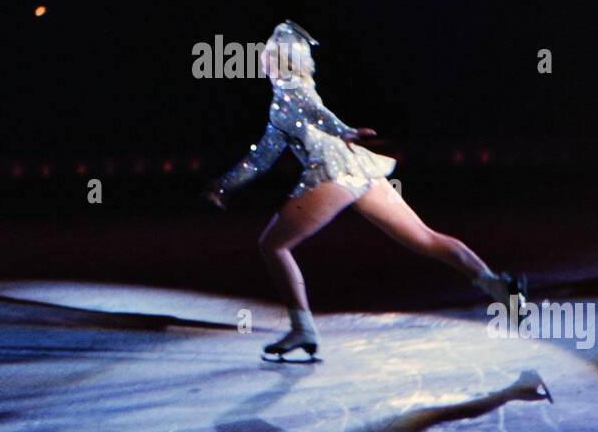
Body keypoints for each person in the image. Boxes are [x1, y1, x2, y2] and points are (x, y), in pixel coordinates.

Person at [203, 19, 528, 362]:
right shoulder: (289, 94)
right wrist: (225, 185)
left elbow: (316, 114)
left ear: (281, 59)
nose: (261, 59)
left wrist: (344, 129)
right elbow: (263, 157)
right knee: (423, 237)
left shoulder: (289, 90)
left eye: (267, 54)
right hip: (360, 168)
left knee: (273, 244)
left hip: (333, 172)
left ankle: (303, 328)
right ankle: (500, 287)